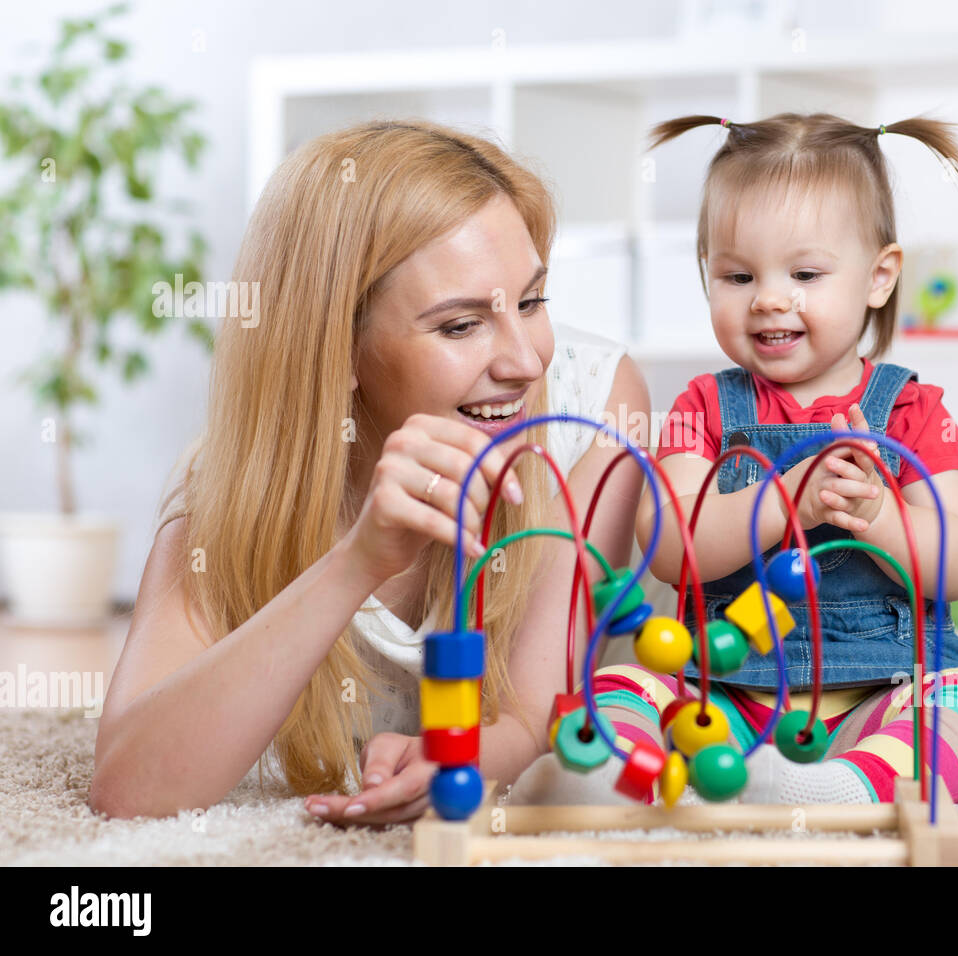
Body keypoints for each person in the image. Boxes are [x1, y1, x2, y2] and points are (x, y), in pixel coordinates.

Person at [87, 119, 650, 824]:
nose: (526, 362)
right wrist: (356, 564)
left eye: (530, 302)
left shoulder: (591, 409)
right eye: (460, 326)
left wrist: (466, 757)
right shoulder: (233, 497)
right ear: (338, 350)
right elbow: (127, 787)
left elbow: (534, 712)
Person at [521, 113, 958, 806]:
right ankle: (615, 771)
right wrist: (784, 498)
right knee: (624, 683)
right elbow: (673, 547)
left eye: (806, 273)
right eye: (737, 275)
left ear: (879, 277)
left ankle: (853, 784)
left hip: (879, 697)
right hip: (721, 697)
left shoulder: (913, 412)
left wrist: (879, 514)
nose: (768, 298)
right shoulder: (704, 408)